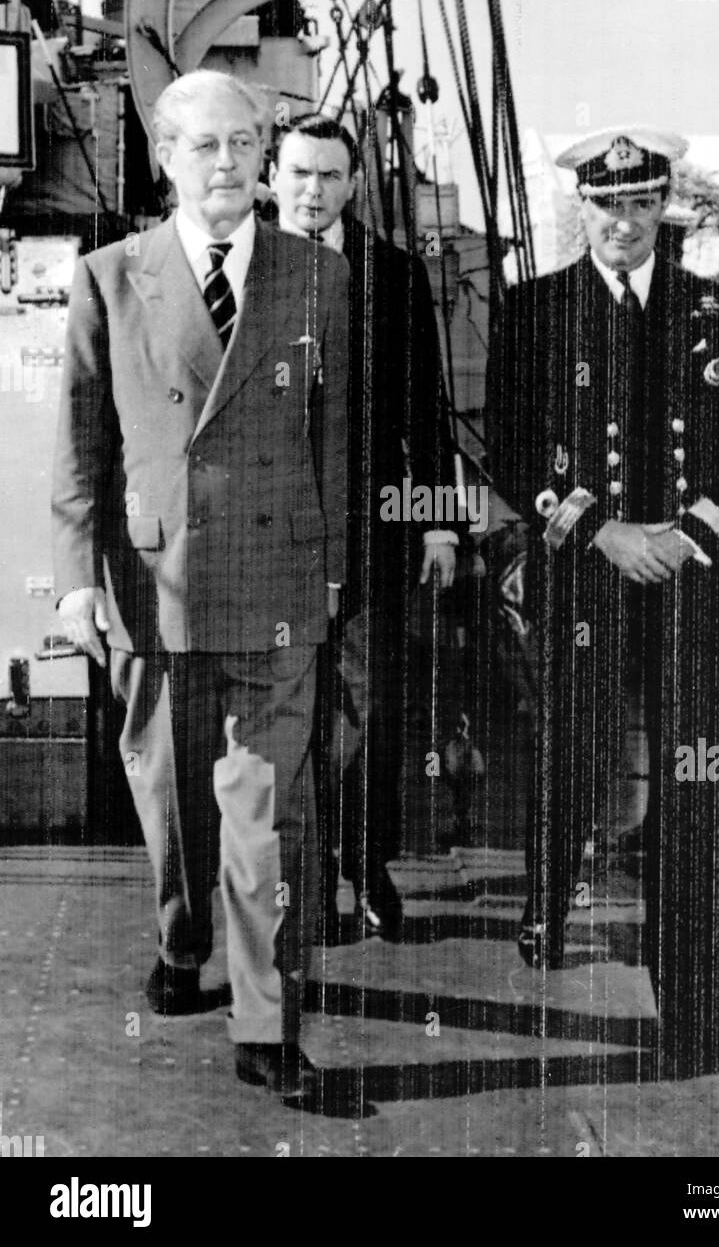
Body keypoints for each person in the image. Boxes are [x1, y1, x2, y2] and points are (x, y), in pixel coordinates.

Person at [51, 69, 348, 1107]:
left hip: (276, 580)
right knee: (173, 800)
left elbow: (335, 439)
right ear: (166, 158)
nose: (226, 165)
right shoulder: (109, 277)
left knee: (267, 816)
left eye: (242, 144)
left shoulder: (318, 276)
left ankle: (264, 1022)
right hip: (156, 578)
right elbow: (82, 444)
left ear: (264, 156)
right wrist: (75, 581)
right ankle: (183, 940)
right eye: (204, 146)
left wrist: (332, 573)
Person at [487, 125, 719, 1079]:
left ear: (664, 206)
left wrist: (691, 536)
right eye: (603, 203)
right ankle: (548, 896)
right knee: (572, 755)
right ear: (578, 206)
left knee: (689, 784)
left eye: (639, 203)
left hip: (693, 591)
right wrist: (603, 534)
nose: (621, 223)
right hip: (584, 580)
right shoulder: (534, 313)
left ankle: (694, 1000)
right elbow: (511, 447)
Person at [269, 114, 456, 941]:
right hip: (263, 535)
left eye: (330, 177)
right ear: (276, 176)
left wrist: (441, 526)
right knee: (276, 712)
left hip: (372, 534)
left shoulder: (394, 274)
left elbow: (427, 411)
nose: (313, 192)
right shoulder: (237, 265)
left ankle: (366, 862)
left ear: (353, 182)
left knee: (370, 707)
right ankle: (292, 881)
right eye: (300, 174)